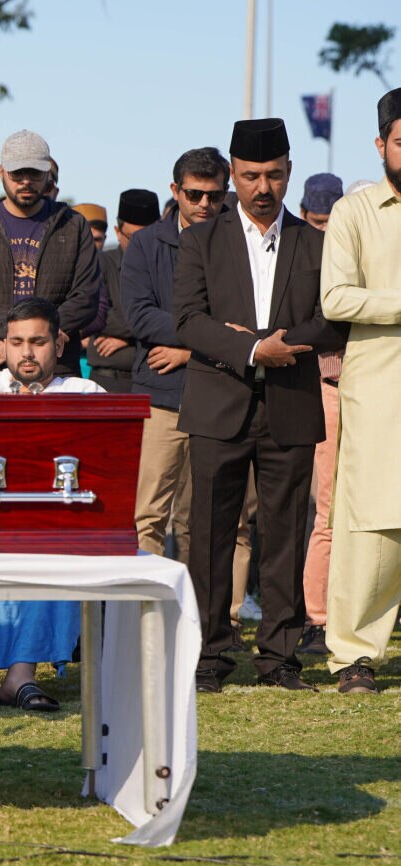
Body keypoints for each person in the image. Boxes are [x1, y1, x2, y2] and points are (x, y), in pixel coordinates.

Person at [174, 117, 347, 694]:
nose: (263, 187)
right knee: (210, 535)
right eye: (250, 176)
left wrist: (281, 345)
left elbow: (332, 319)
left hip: (292, 406)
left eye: (273, 175)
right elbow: (188, 320)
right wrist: (250, 348)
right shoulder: (199, 239)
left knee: (285, 535)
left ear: (289, 171)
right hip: (218, 405)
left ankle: (279, 657)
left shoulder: (317, 242)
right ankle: (209, 655)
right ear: (233, 175)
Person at [0, 297, 103, 711]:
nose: (27, 353)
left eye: (37, 341)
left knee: (60, 554)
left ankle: (21, 676)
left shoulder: (86, 394)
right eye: (16, 342)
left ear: (60, 342)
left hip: (57, 523)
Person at [123, 148, 256, 625]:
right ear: (175, 191)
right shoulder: (145, 245)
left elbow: (249, 323)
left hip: (223, 391)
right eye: (194, 194)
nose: (204, 203)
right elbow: (139, 316)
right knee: (150, 514)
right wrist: (209, 336)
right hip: (162, 395)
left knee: (227, 518)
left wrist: (190, 347)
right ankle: (144, 615)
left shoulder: (242, 240)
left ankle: (227, 618)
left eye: (214, 195)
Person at [318, 87, 401, 694]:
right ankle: (354, 657)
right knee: (369, 524)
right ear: (381, 145)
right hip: (380, 388)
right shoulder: (355, 211)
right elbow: (336, 298)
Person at [0, 129, 100, 385]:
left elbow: (86, 298)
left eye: (34, 173)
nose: (25, 181)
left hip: (58, 370)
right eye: (17, 173)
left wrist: (28, 342)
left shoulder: (73, 225)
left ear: (47, 175)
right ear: (1, 172)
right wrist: (19, 341)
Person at [298, 172, 345, 657]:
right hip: (325, 385)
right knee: (327, 510)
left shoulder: (352, 250)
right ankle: (318, 619)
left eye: (332, 220)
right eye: (317, 221)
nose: (325, 229)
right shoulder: (305, 255)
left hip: (373, 389)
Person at [85, 189, 158, 394]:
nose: (141, 244)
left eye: (148, 235)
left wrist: (127, 337)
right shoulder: (101, 263)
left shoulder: (169, 266)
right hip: (107, 381)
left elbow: (176, 318)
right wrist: (149, 327)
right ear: (118, 232)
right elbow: (96, 313)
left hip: (155, 382)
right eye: (133, 237)